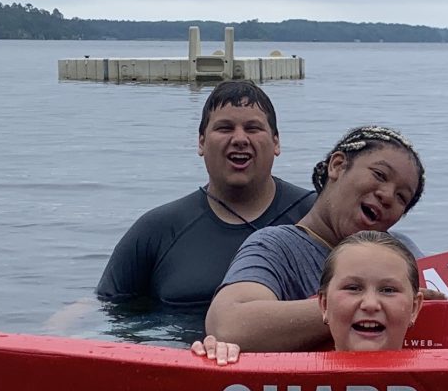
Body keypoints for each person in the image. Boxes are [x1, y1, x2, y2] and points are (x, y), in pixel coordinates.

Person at [96, 79, 314, 309]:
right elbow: (105, 307)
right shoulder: (157, 230)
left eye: (253, 128)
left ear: (276, 142)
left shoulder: (317, 217)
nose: (240, 139)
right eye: (225, 128)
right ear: (201, 142)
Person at [203, 127, 426, 351]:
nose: (387, 196)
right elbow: (228, 326)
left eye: (401, 196)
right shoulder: (275, 247)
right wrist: (349, 309)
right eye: (379, 175)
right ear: (337, 166)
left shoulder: (404, 250)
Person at [196, 230, 448, 365]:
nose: (370, 303)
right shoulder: (282, 359)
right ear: (323, 304)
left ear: (416, 307)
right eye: (352, 288)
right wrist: (219, 357)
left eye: (388, 290)